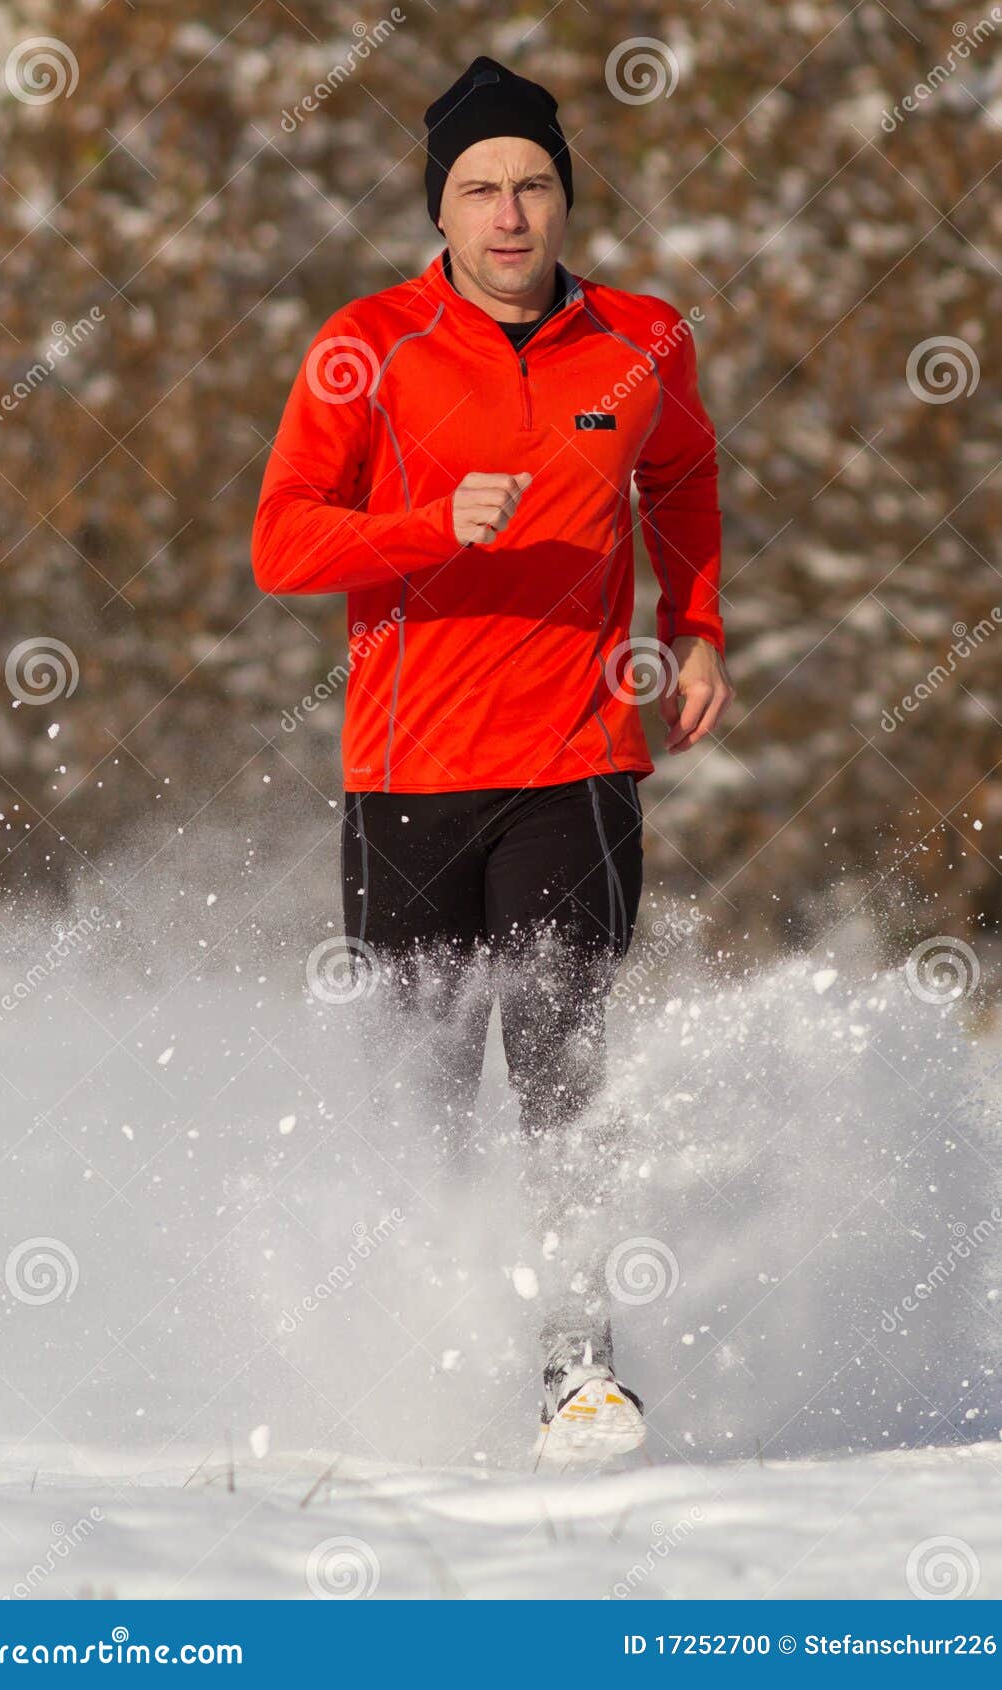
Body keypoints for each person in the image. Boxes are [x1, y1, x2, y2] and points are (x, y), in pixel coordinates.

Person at [251, 54, 735, 1459]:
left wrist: (693, 622)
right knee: (421, 1086)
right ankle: (418, 1361)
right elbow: (283, 539)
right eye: (481, 188)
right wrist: (420, 522)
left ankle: (578, 1366)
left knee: (563, 1062)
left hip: (577, 762)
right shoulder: (367, 346)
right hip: (406, 774)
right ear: (441, 209)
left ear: (566, 196)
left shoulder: (641, 340)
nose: (511, 212)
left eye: (534, 182)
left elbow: (685, 479)